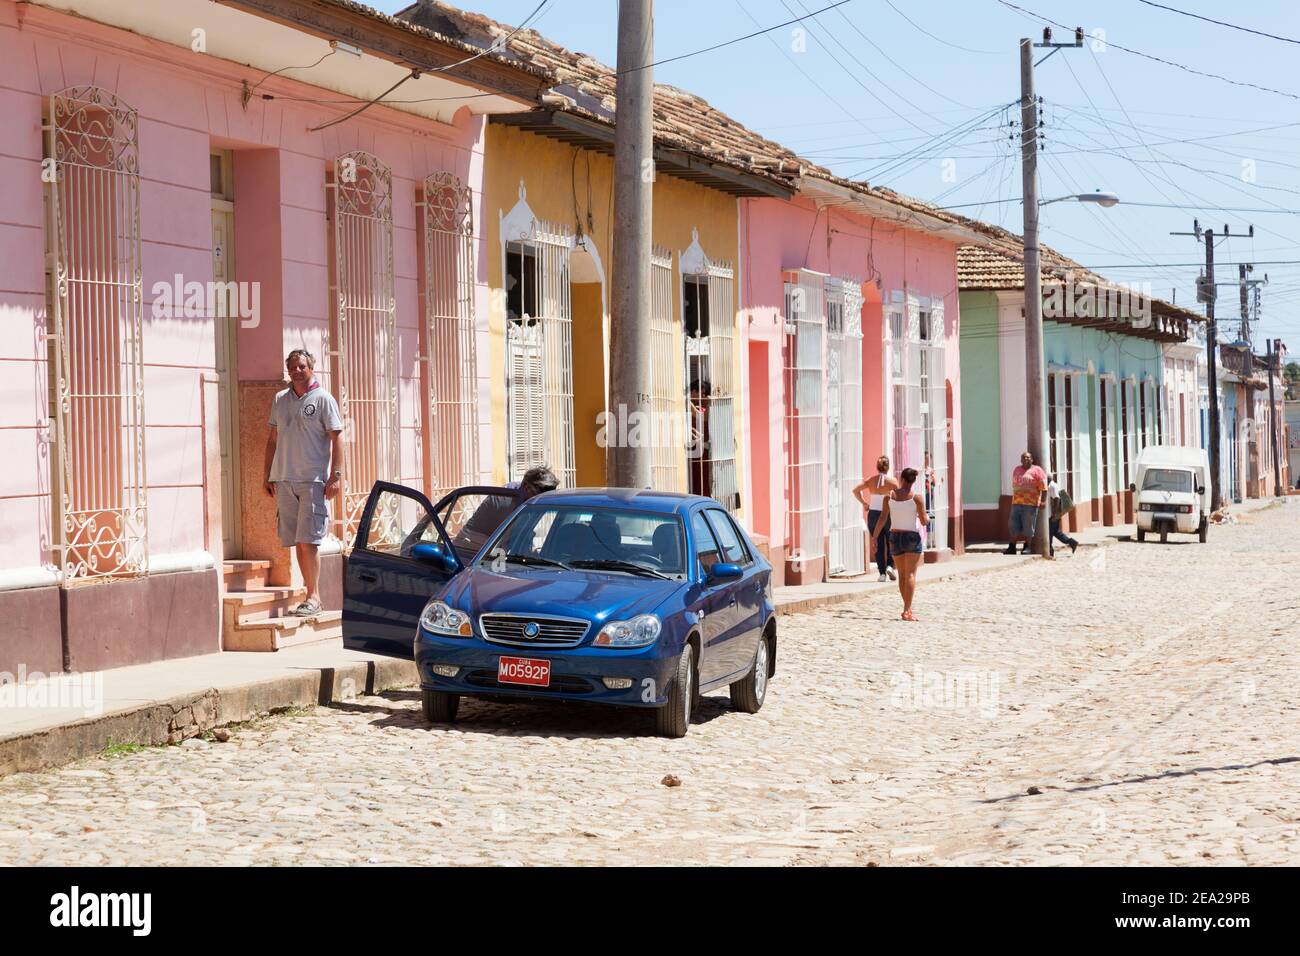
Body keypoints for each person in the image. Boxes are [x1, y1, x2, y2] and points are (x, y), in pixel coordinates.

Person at [263, 349, 343, 616]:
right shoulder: (280, 399)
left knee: (310, 540)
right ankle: (309, 595)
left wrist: (336, 476)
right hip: (285, 480)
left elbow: (337, 439)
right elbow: (273, 440)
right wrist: (268, 475)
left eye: (302, 366)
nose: (297, 371)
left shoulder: (323, 399)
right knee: (298, 541)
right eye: (293, 367)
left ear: (311, 367)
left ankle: (315, 597)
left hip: (313, 481)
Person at [872, 466, 928, 621]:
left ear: (902, 479)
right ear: (914, 481)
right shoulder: (917, 498)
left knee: (902, 575)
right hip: (911, 537)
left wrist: (875, 537)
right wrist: (927, 518)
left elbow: (882, 518)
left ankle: (906, 609)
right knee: (910, 574)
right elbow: (924, 521)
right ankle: (907, 610)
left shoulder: (889, 497)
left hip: (895, 536)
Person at [853, 456, 898, 582]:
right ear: (888, 467)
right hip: (888, 514)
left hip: (873, 514)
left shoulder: (871, 480)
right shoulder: (893, 481)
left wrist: (864, 503)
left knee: (877, 542)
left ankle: (882, 573)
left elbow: (855, 490)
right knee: (891, 541)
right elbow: (899, 496)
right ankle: (890, 565)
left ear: (877, 467)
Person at [1004, 451, 1048, 555]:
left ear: (1032, 459)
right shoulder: (1017, 469)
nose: (1026, 459)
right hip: (1016, 502)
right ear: (1021, 460)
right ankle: (1012, 547)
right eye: (1024, 457)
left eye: (1028, 457)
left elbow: (1044, 488)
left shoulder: (1037, 470)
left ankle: (1027, 547)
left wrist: (1043, 501)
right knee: (1013, 525)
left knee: (1028, 526)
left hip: (1030, 504)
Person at [1047, 473, 1079, 556]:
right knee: (1056, 532)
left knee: (1049, 533)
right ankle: (1072, 542)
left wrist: (1054, 515)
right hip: (1053, 513)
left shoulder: (1052, 486)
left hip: (1053, 514)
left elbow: (1057, 499)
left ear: (1049, 478)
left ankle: (1050, 550)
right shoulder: (1051, 486)